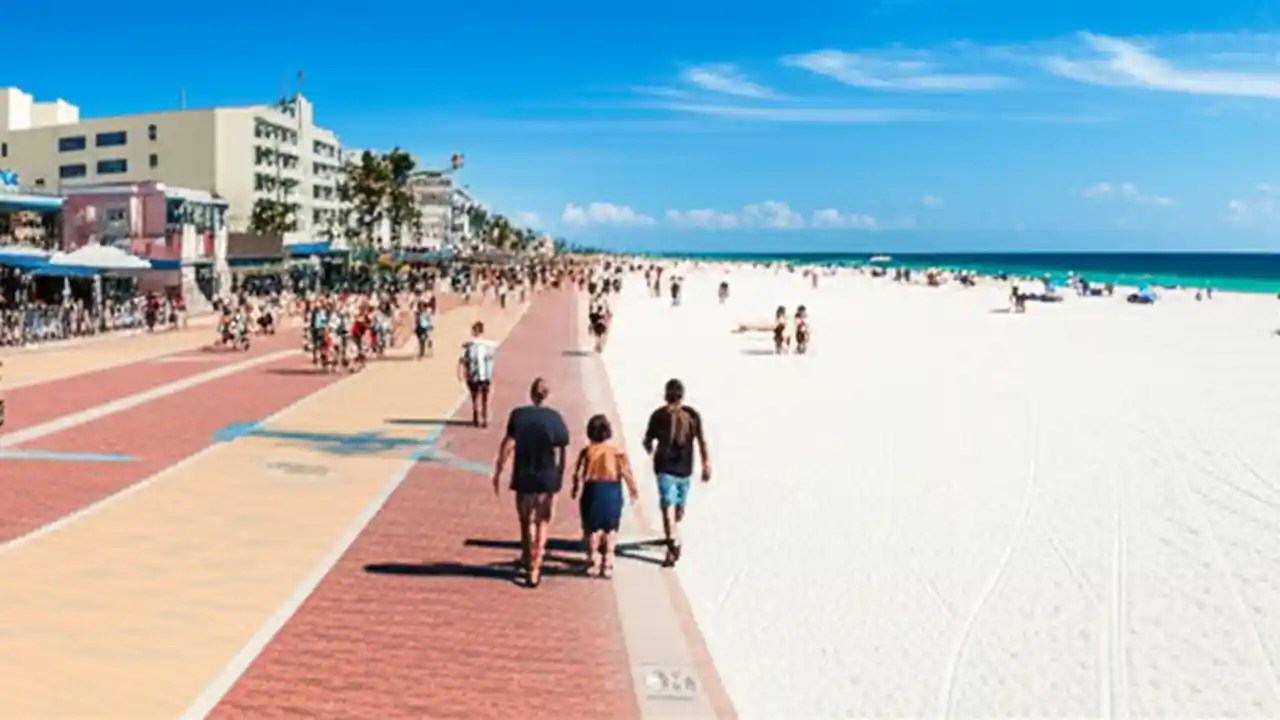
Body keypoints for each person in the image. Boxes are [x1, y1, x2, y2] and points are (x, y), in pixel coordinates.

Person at [492, 378, 571, 588]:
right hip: (547, 478)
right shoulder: (555, 418)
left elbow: (508, 445)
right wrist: (560, 476)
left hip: (524, 477)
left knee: (526, 521)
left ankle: (528, 559)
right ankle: (536, 565)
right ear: (547, 394)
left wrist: (499, 470)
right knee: (543, 522)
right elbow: (562, 451)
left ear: (531, 393)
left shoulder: (519, 415)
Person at [643, 378, 711, 567]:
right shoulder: (663, 416)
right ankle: (672, 544)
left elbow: (648, 440)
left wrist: (706, 462)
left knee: (675, 511)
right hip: (672, 468)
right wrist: (706, 463)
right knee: (669, 507)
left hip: (678, 470)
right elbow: (701, 441)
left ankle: (672, 535)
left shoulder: (686, 415)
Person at [571, 414, 639, 579]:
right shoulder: (617, 452)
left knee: (593, 528)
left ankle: (594, 559)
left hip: (593, 488)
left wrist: (575, 488)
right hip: (612, 488)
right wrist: (633, 489)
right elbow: (625, 472)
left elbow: (578, 473)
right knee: (611, 527)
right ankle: (608, 559)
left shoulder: (587, 451)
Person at [458, 321, 497, 427]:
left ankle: (477, 416)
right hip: (484, 376)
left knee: (476, 398)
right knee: (485, 399)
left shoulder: (469, 346)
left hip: (474, 376)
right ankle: (484, 418)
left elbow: (463, 361)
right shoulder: (488, 346)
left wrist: (461, 373)